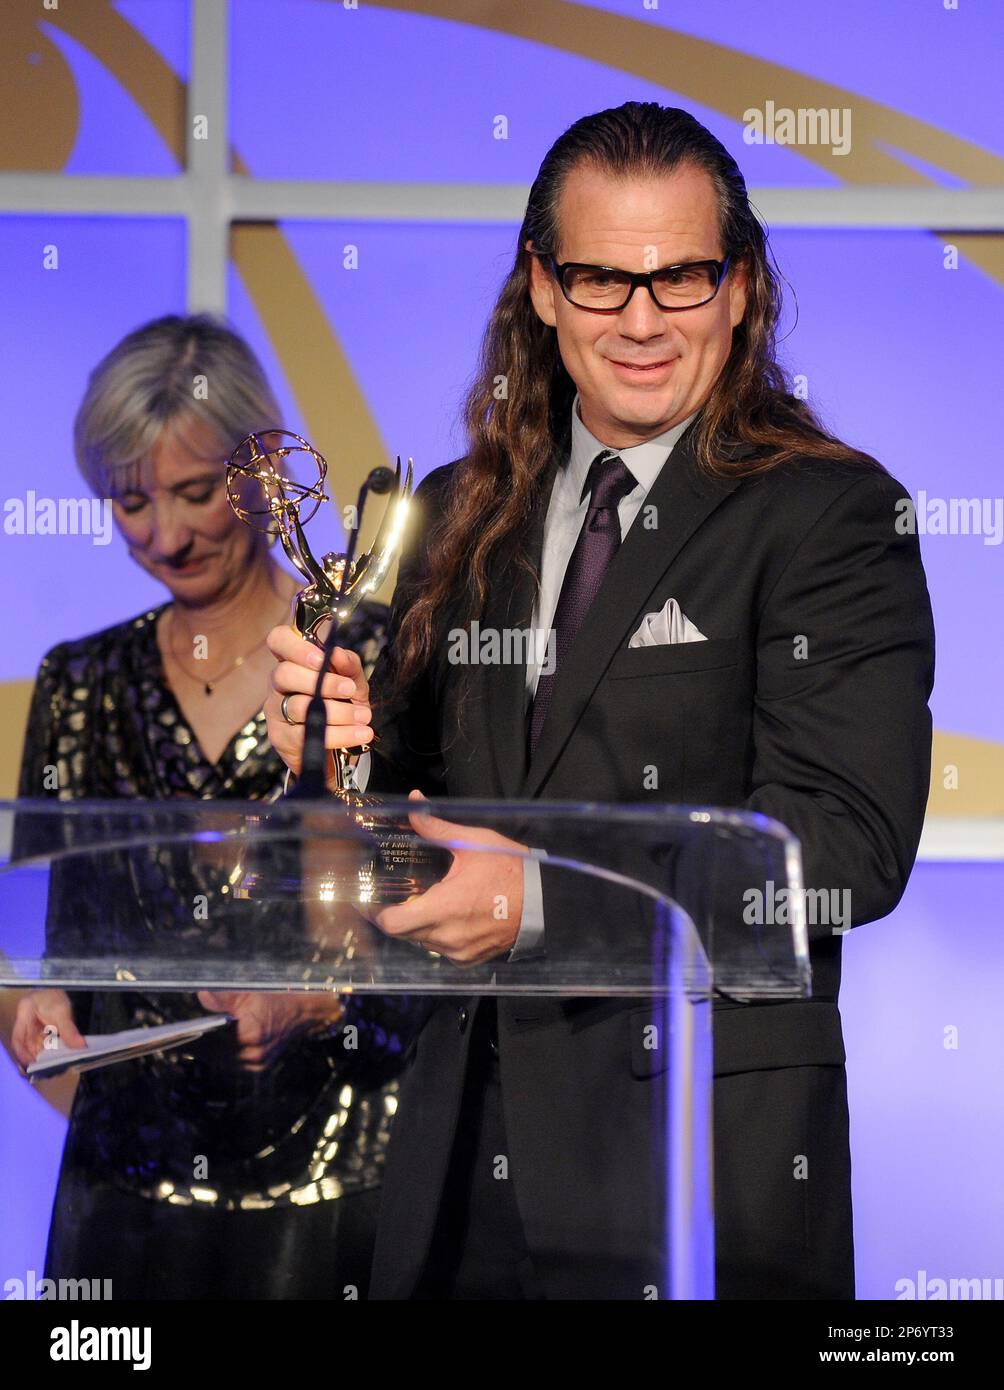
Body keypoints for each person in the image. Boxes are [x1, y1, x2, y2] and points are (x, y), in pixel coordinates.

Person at [266, 103, 935, 1299]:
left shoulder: (829, 514)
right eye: (598, 278)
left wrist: (538, 904)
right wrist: (327, 748)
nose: (639, 319)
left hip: (690, 1173)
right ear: (540, 286)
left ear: (739, 288)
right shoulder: (464, 509)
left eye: (679, 276)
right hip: (454, 1165)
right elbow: (404, 817)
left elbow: (840, 853)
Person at [9, 314, 407, 1299]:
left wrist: (316, 999)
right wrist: (30, 1010)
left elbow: (428, 923)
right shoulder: (80, 680)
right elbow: (35, 942)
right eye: (131, 502)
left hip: (335, 1187)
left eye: (193, 494)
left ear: (263, 472)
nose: (166, 535)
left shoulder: (369, 659)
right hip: (122, 1200)